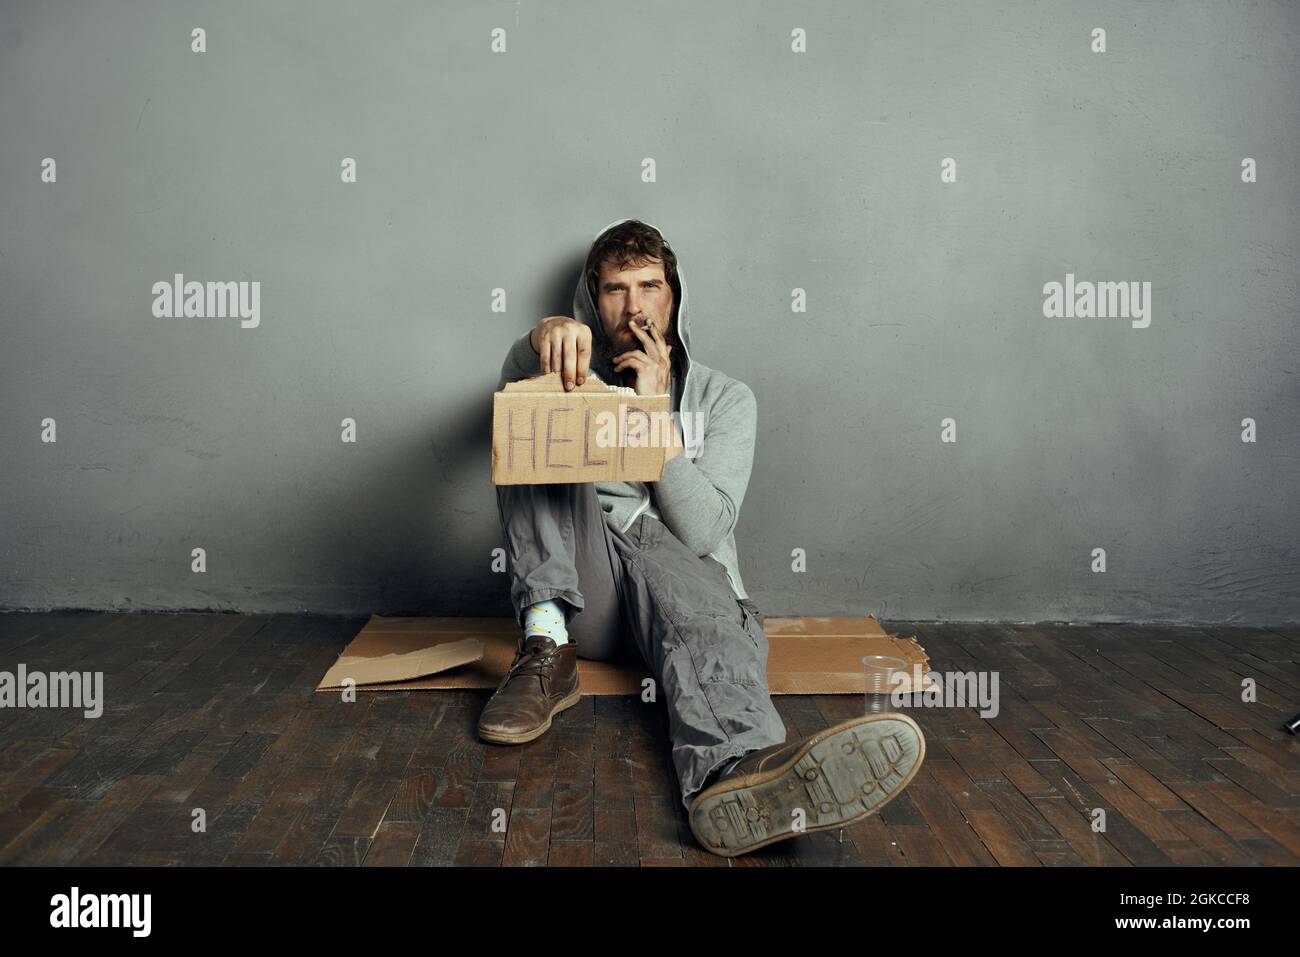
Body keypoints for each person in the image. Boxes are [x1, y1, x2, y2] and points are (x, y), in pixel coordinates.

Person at [482, 218, 925, 856]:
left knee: (668, 556)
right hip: (594, 604)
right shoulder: (572, 375)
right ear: (591, 299)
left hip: (693, 599)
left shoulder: (726, 399)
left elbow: (703, 530)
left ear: (675, 296)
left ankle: (739, 776)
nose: (634, 307)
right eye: (614, 290)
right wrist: (540, 338)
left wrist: (654, 408)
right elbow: (518, 376)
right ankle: (545, 648)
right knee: (535, 413)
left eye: (649, 286)